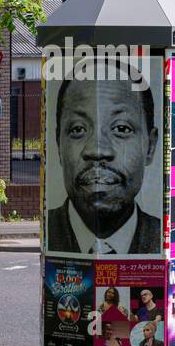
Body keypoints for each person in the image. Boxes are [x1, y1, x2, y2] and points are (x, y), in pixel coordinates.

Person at [46, 72, 161, 255]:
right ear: (59, 144)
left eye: (121, 128)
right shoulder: (48, 232)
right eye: (78, 129)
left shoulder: (162, 238)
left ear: (150, 146)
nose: (97, 151)